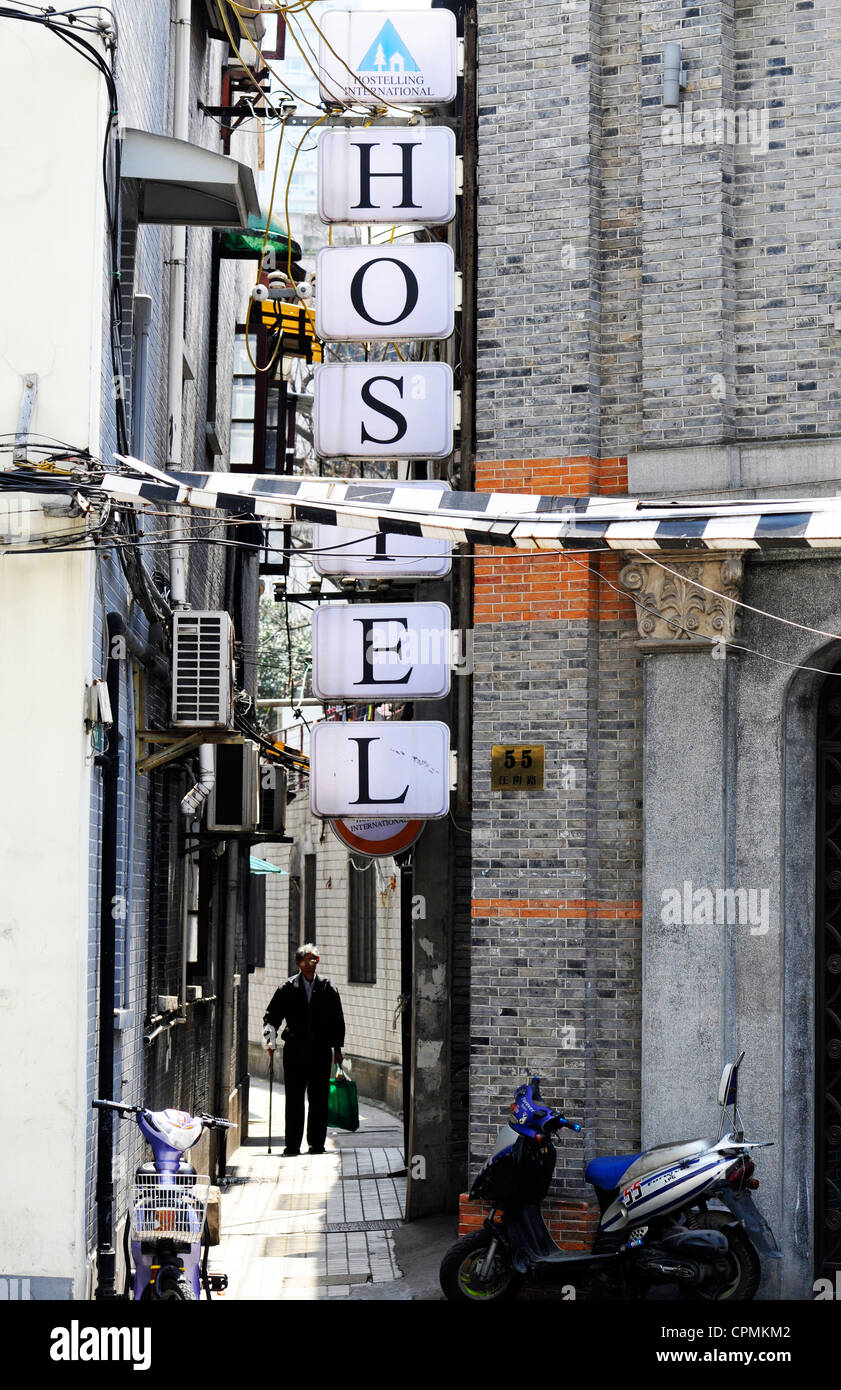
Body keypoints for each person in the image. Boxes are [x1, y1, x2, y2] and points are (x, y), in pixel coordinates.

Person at [262, 944, 345, 1156]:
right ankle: (292, 1145)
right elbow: (272, 1017)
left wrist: (338, 1049)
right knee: (295, 1099)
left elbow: (337, 1020)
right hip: (295, 1050)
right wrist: (270, 1041)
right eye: (307, 960)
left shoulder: (327, 987)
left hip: (320, 1050)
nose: (311, 963)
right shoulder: (288, 987)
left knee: (319, 1098)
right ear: (299, 963)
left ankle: (317, 1143)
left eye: (314, 959)